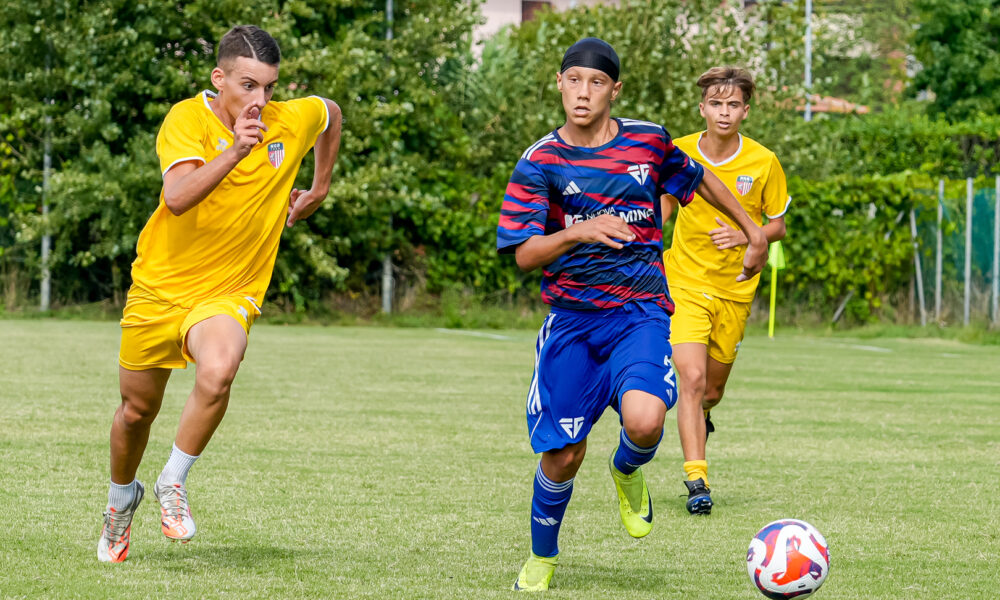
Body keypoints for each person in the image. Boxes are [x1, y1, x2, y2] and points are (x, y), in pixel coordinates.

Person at [496, 39, 768, 592]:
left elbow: (697, 180)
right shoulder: (539, 161)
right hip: (572, 322)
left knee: (646, 421)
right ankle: (542, 556)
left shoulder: (647, 141)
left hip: (640, 312)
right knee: (564, 456)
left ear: (613, 90)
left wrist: (752, 228)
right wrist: (579, 230)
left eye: (596, 83)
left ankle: (626, 469)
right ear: (559, 83)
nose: (583, 92)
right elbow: (523, 254)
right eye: (574, 79)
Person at [97, 25, 342, 563]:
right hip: (159, 289)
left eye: (270, 88)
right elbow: (178, 196)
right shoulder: (186, 119)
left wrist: (320, 188)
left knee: (221, 367)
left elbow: (329, 111)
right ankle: (120, 501)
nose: (260, 101)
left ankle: (172, 482)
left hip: (227, 291)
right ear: (220, 78)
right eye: (248, 86)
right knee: (136, 413)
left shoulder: (286, 120)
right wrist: (234, 151)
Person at [663, 66, 789, 516]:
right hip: (684, 283)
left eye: (732, 104)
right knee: (691, 381)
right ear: (702, 108)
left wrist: (747, 235)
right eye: (715, 104)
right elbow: (659, 207)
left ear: (745, 111)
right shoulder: (676, 152)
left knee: (711, 392)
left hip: (735, 290)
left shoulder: (763, 161)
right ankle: (697, 478)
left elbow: (778, 225)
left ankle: (704, 418)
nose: (723, 112)